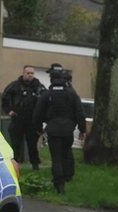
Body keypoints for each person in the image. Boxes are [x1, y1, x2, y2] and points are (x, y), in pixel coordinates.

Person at [33, 64, 84, 194]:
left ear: (51, 79)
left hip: (53, 130)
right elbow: (79, 111)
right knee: (66, 154)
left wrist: (39, 129)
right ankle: (68, 176)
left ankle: (59, 185)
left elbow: (37, 113)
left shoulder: (47, 94)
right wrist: (82, 129)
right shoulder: (71, 93)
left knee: (56, 158)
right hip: (68, 130)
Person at [1, 65, 45, 170]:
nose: (30, 75)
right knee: (16, 144)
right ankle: (15, 166)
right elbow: (5, 98)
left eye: (32, 73)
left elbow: (45, 100)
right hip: (18, 119)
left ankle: (35, 166)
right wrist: (9, 111)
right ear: (23, 73)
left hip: (32, 121)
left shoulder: (38, 86)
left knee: (32, 145)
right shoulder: (15, 85)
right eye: (28, 73)